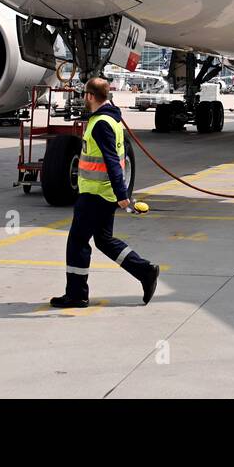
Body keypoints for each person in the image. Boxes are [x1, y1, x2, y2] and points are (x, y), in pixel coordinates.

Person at [51, 77, 159, 309]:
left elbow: (111, 160)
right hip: (102, 192)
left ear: (90, 96)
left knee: (77, 241)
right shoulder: (111, 120)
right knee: (104, 240)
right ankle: (145, 271)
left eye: (84, 95)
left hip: (96, 194)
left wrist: (123, 196)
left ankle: (77, 294)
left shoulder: (101, 123)